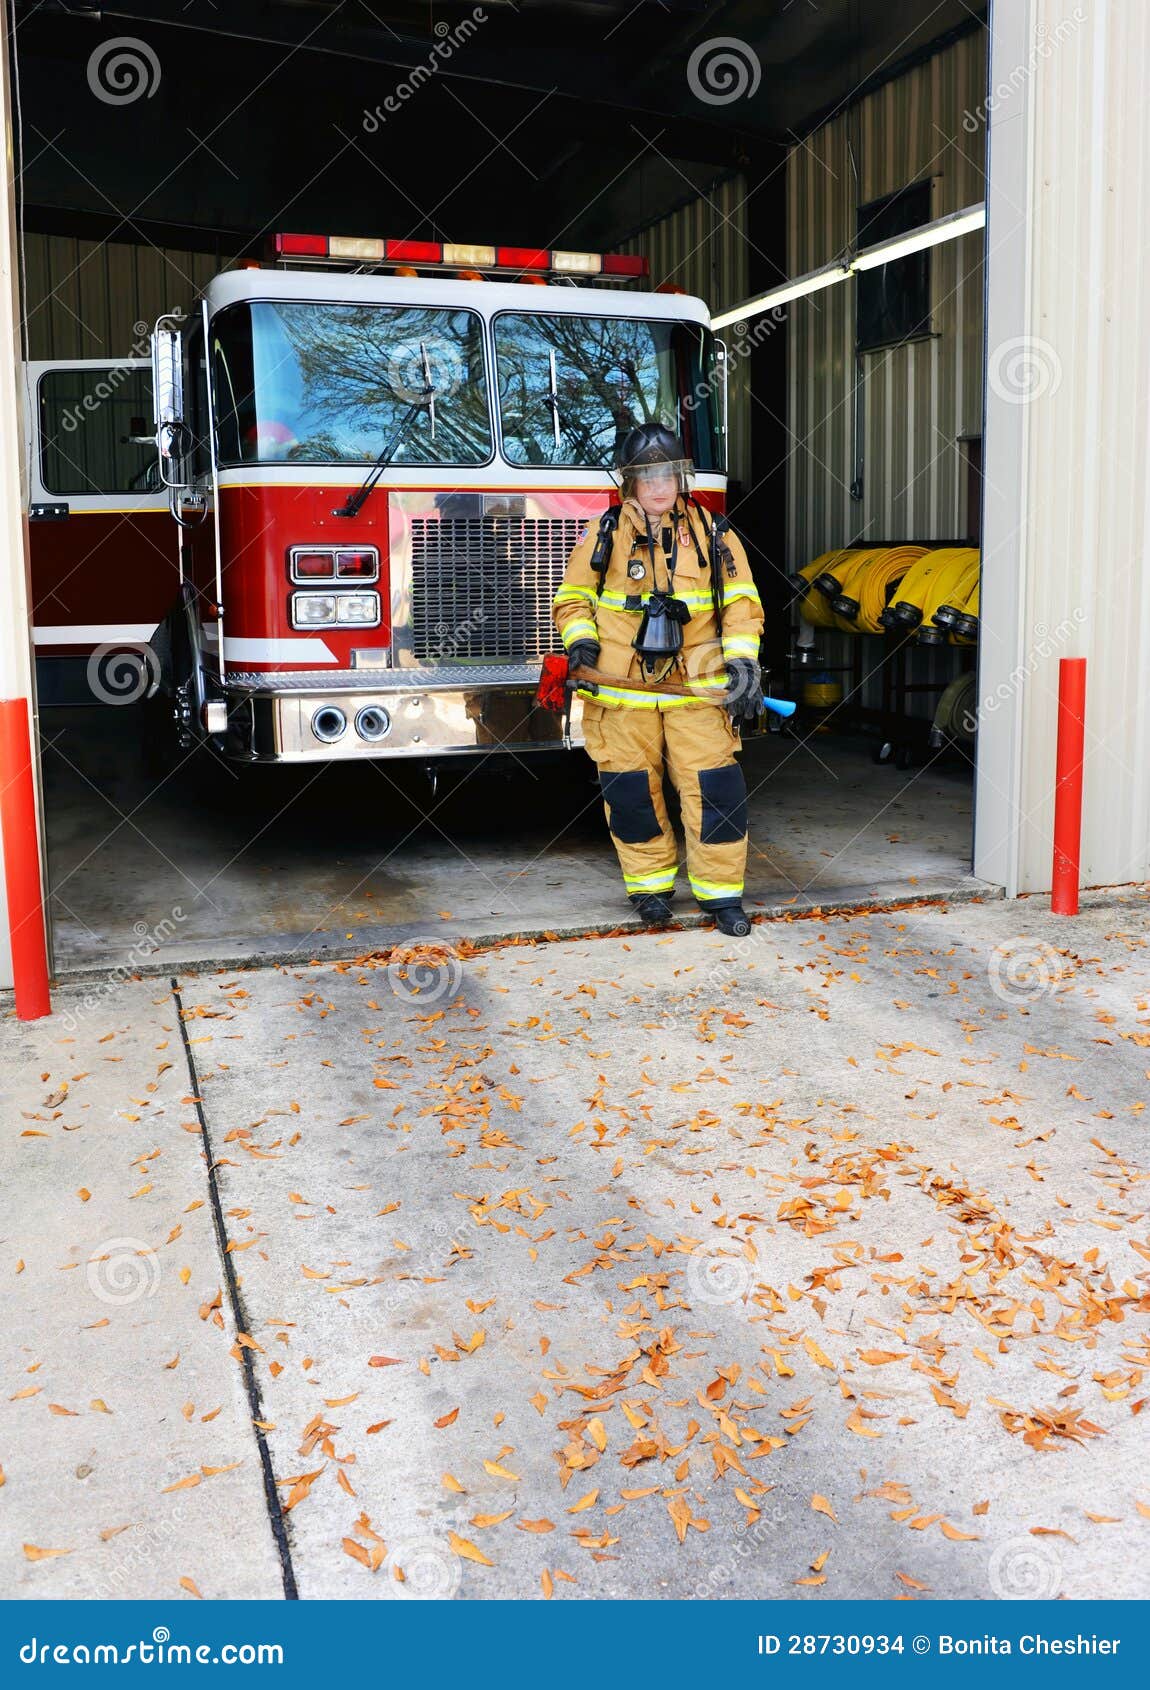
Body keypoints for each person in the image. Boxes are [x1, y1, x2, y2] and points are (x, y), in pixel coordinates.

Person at [552, 422, 764, 937]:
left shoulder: (716, 534)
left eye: (666, 474)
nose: (658, 487)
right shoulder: (603, 533)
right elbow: (572, 598)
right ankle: (650, 892)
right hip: (622, 695)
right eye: (646, 478)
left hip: (698, 691)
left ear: (680, 477)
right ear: (630, 483)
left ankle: (722, 898)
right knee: (630, 794)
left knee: (715, 791)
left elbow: (741, 604)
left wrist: (742, 663)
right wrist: (580, 643)